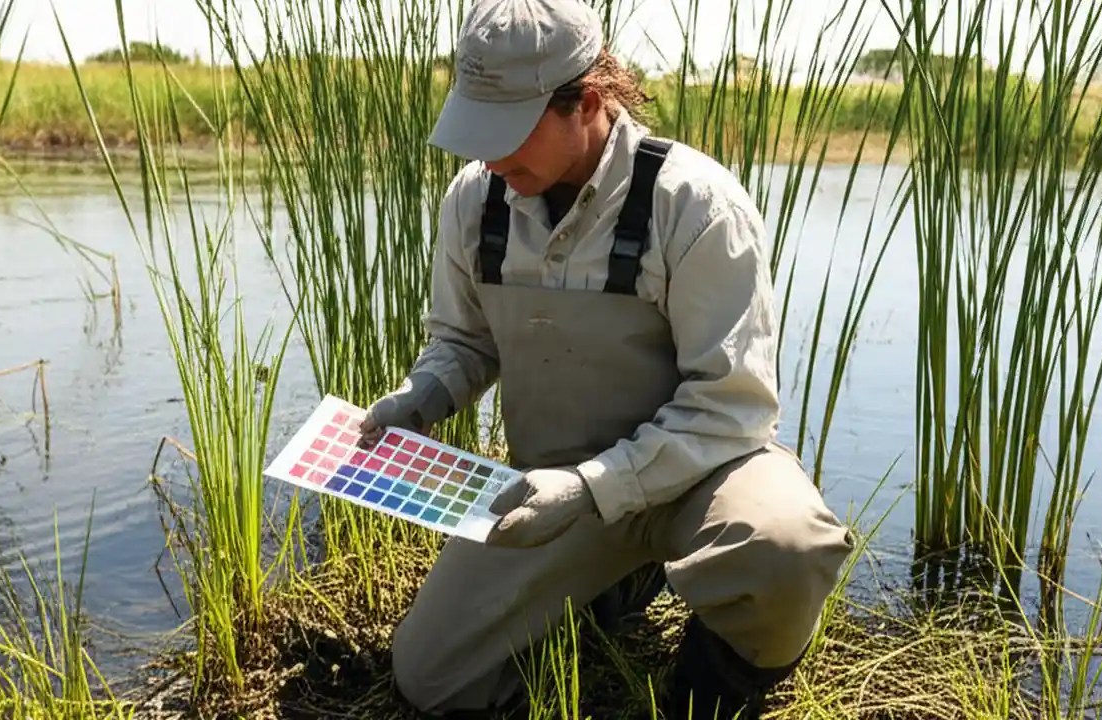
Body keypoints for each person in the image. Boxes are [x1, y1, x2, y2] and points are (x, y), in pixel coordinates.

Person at [357, 0, 854, 717]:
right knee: (430, 678)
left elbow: (733, 406)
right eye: (478, 130)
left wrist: (597, 485)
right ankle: (612, 589)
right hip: (551, 491)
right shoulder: (474, 200)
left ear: (586, 103)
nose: (489, 157)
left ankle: (715, 679)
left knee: (789, 548)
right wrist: (422, 395)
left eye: (508, 133)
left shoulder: (695, 205)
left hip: (699, 476)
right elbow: (463, 341)